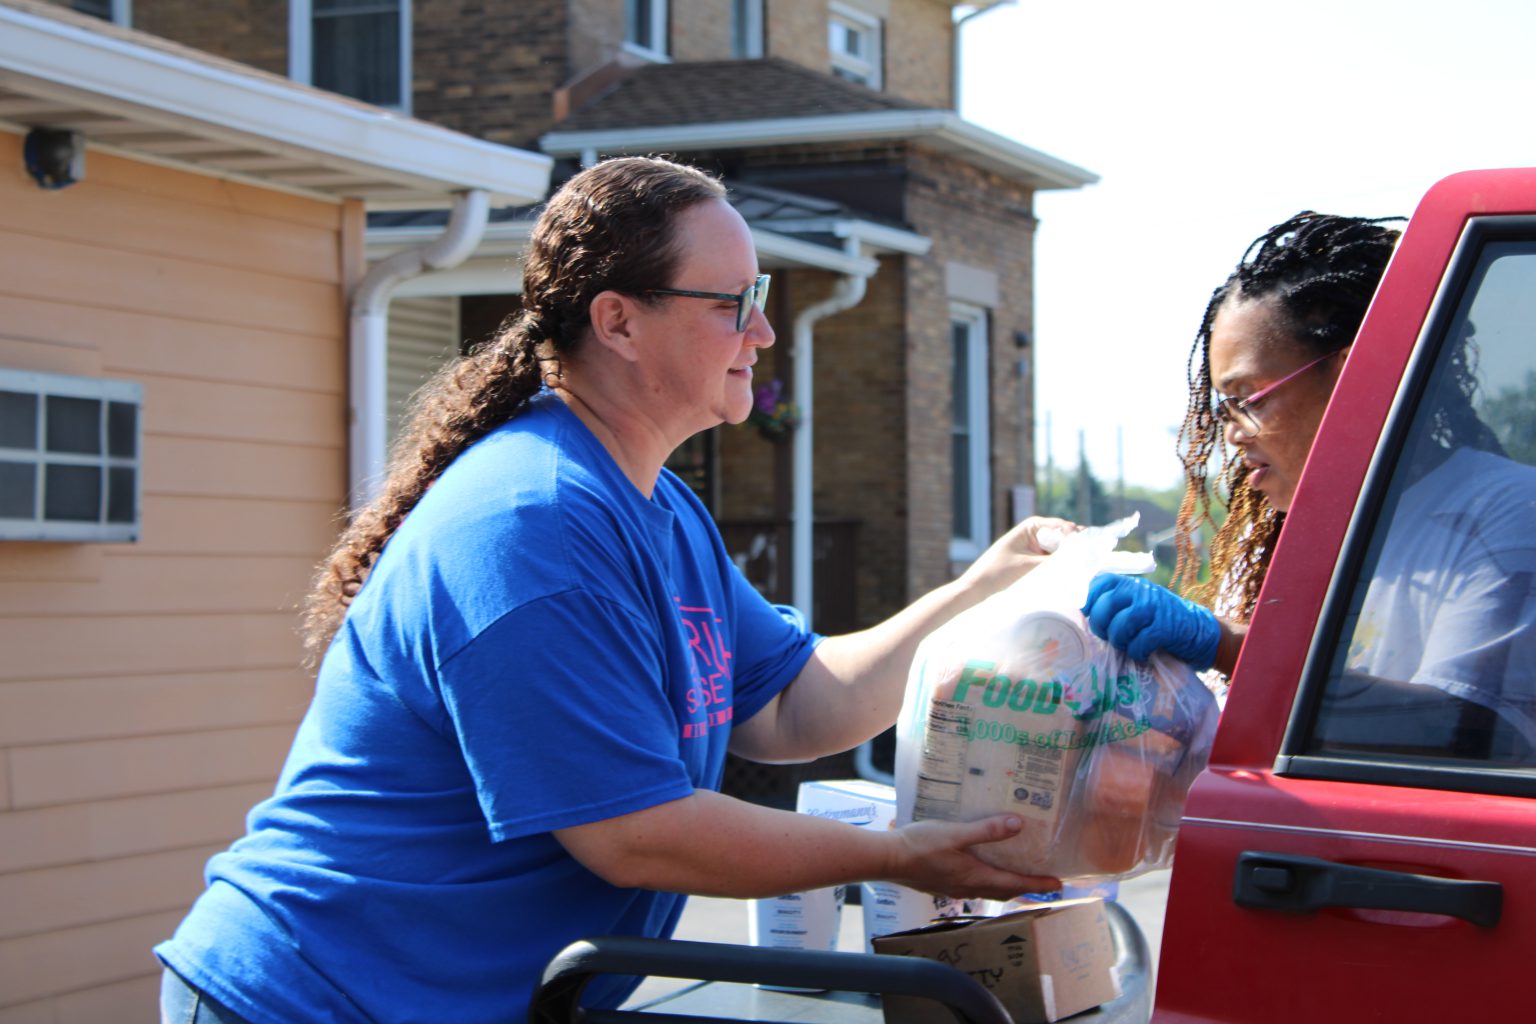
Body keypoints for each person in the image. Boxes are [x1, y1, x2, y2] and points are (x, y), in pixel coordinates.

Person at [154, 156, 1069, 1024]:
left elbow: (793, 704)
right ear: (619, 322)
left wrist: (985, 588)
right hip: (311, 996)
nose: (762, 331)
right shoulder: (533, 527)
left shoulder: (655, 505)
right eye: (735, 303)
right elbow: (636, 833)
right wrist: (897, 855)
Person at [1082, 211, 1536, 747]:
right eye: (1224, 408)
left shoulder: (1506, 512)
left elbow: (1476, 731)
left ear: (1351, 376)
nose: (1233, 434)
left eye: (1247, 399)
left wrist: (1225, 645)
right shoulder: (1269, 543)